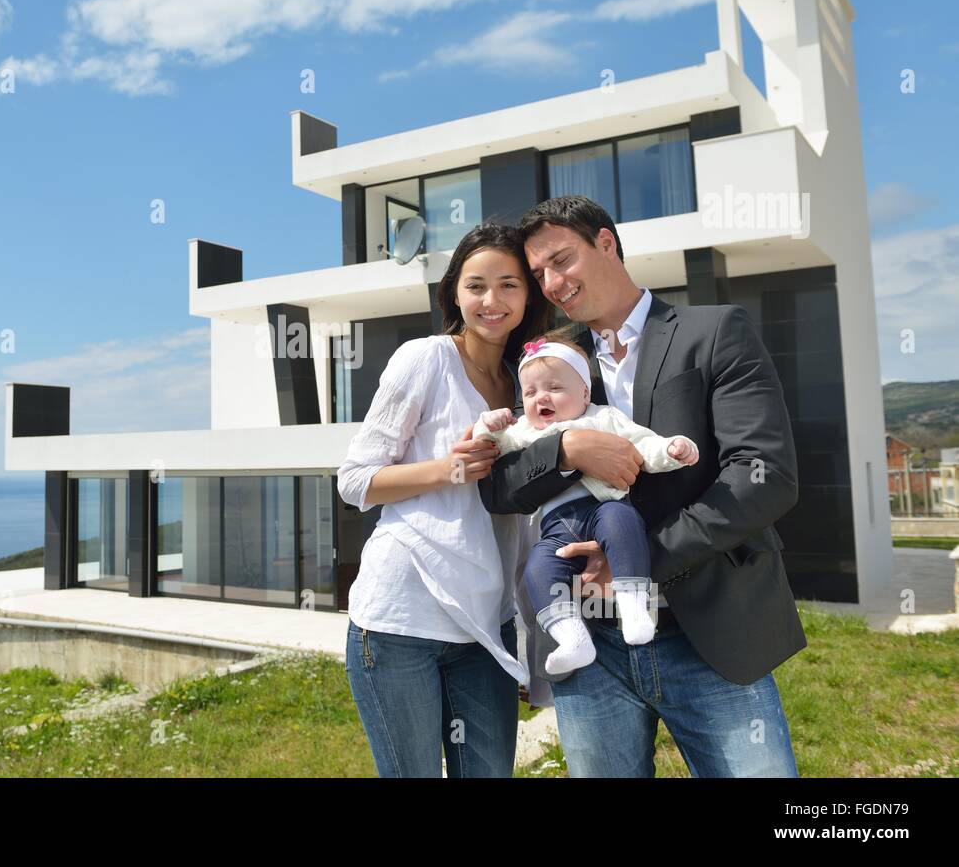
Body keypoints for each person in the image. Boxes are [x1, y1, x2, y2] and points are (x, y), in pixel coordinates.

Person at [479, 194, 806, 777]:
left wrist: (640, 561)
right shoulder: (556, 365)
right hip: (591, 644)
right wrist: (566, 448)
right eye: (539, 274)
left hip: (707, 630)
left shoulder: (714, 331)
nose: (551, 283)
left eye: (562, 260)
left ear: (606, 243)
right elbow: (500, 487)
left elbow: (763, 476)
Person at [336, 222, 551, 777]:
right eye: (476, 285)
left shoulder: (530, 386)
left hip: (488, 626)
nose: (491, 300)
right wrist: (447, 468)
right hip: (401, 619)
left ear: (528, 295)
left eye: (508, 285)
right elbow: (355, 480)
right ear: (454, 292)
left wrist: (537, 652)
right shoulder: (425, 359)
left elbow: (527, 527)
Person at [473, 336, 698, 674]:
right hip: (555, 529)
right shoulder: (525, 430)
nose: (541, 398)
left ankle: (634, 606)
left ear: (585, 393)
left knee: (621, 524)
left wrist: (670, 450)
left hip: (602, 506)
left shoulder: (605, 417)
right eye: (530, 392)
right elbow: (499, 447)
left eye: (553, 388)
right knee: (537, 569)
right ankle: (572, 637)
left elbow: (641, 444)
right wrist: (487, 427)